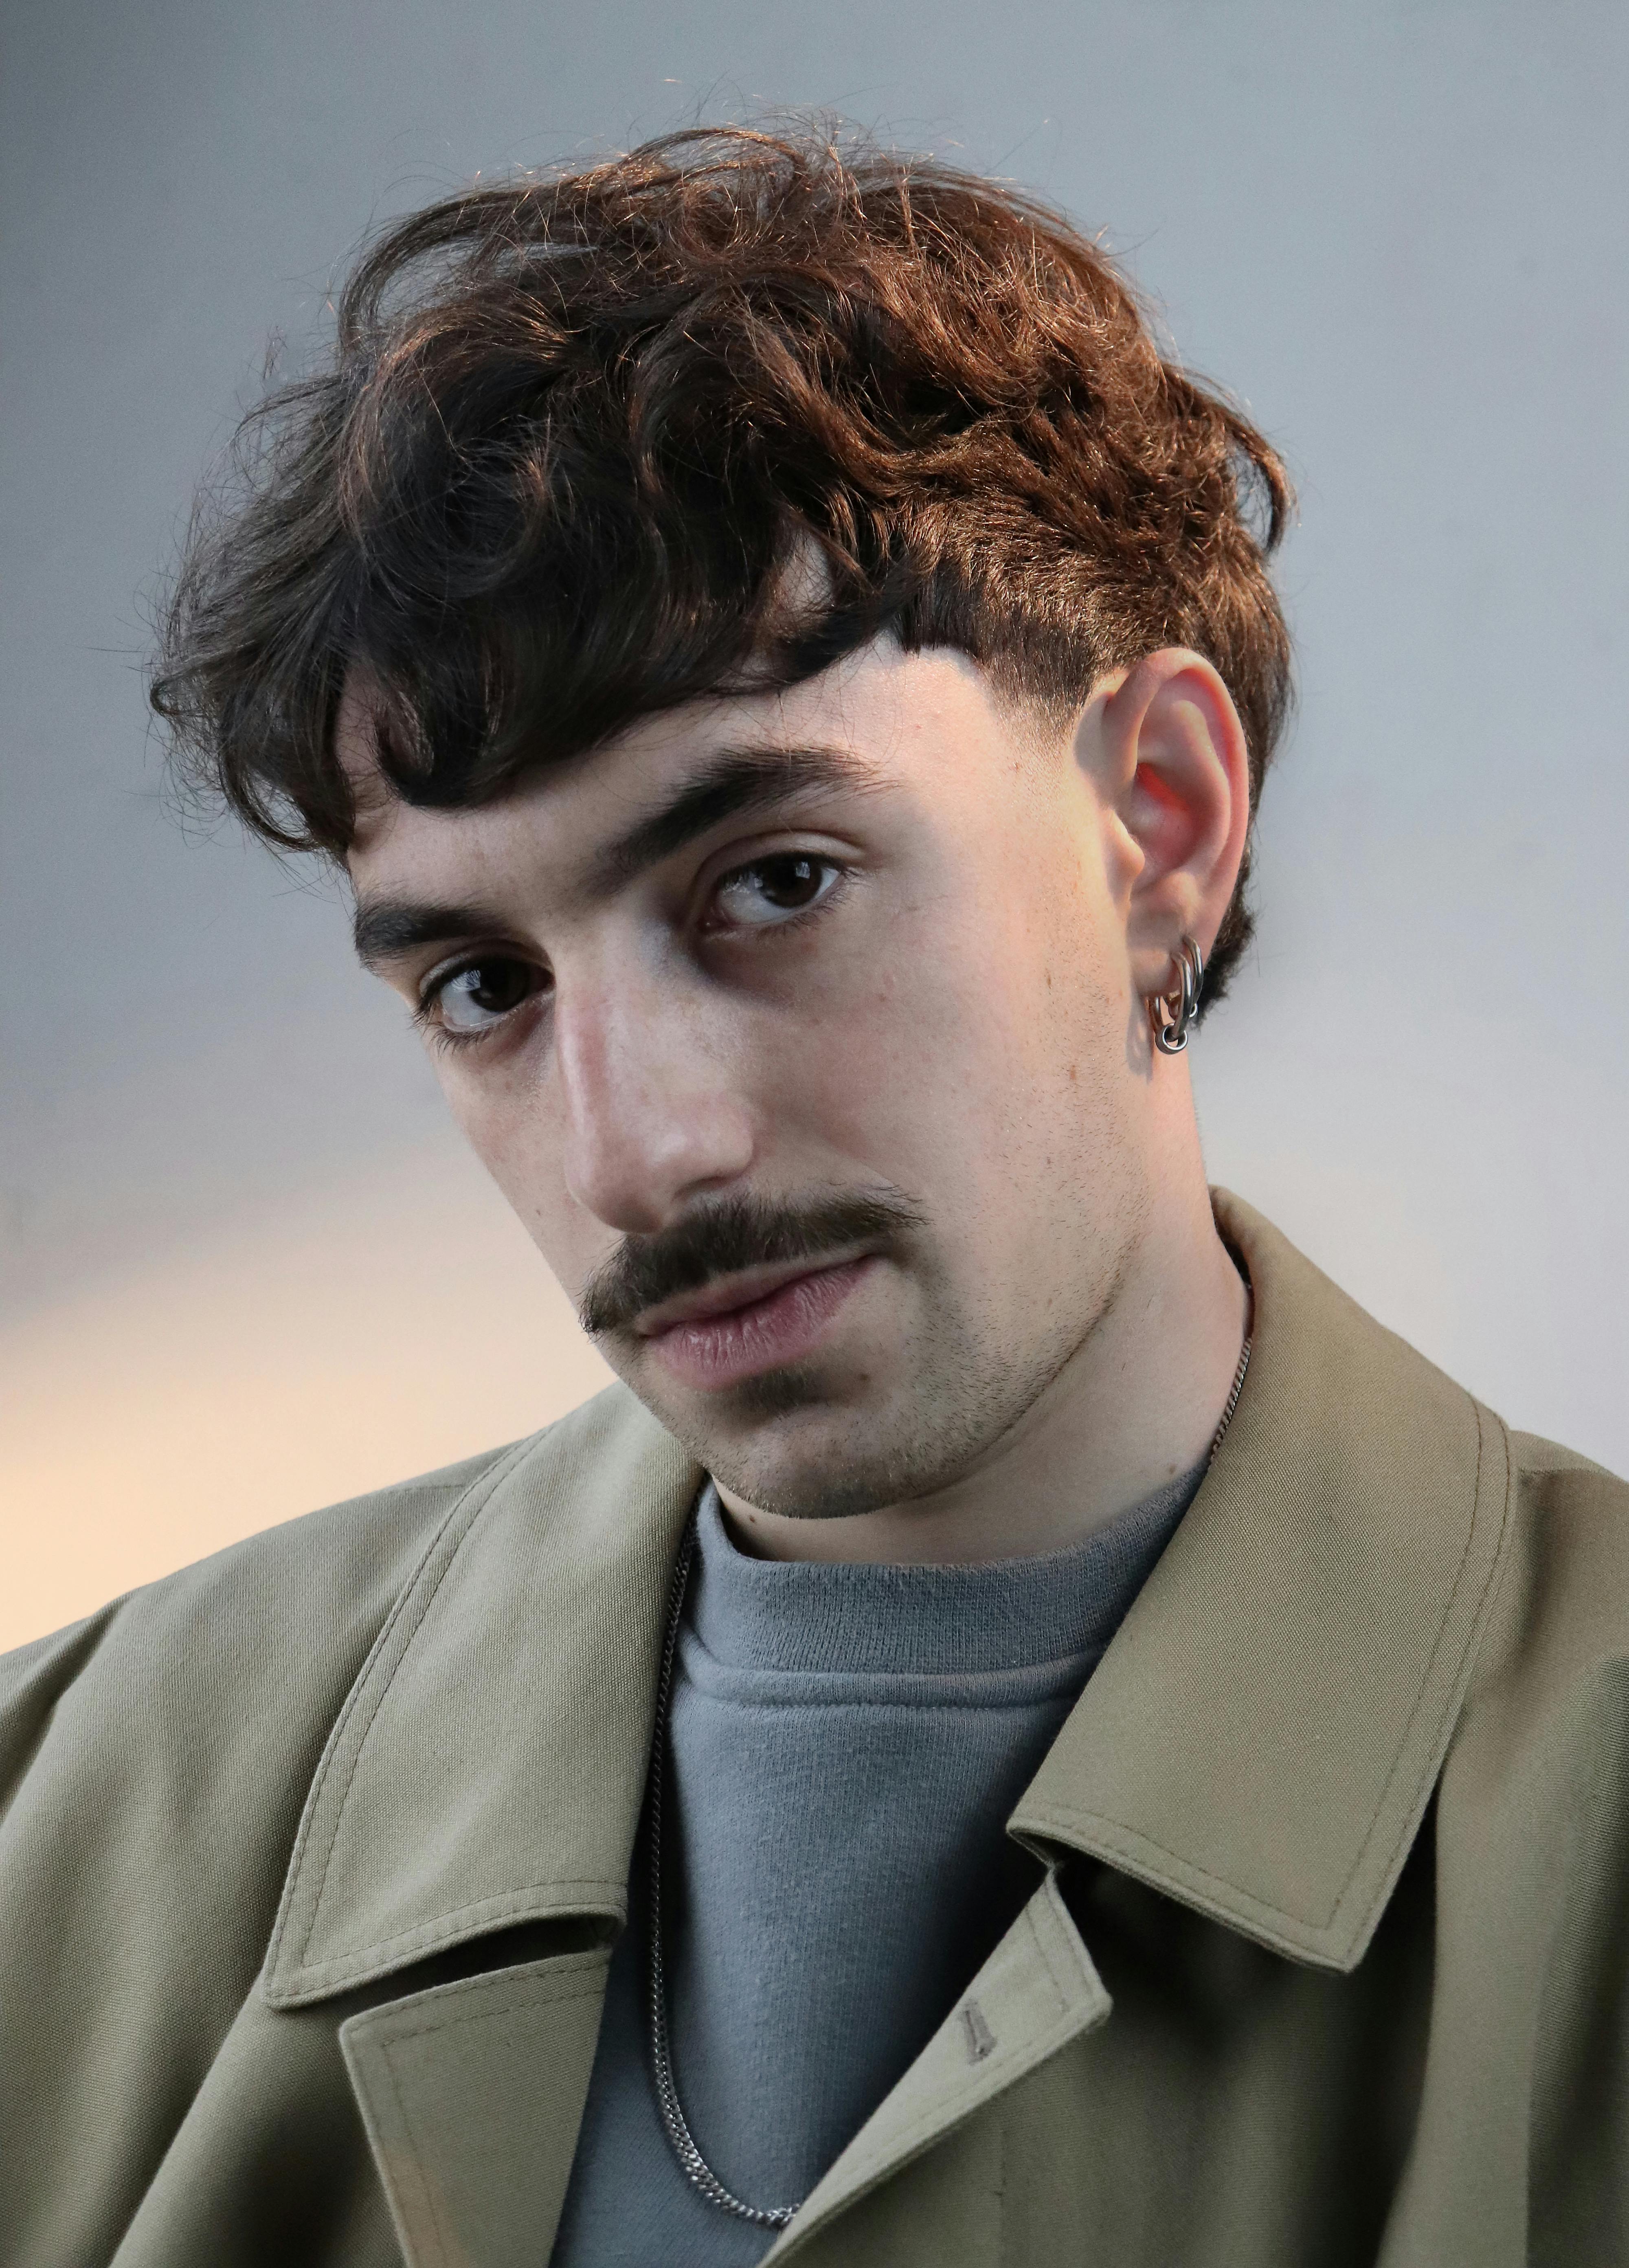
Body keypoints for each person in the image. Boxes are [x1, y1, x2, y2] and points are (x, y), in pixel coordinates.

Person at [3, 124, 1625, 2268]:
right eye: (486, 984)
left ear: (1160, 824)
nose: (635, 1153)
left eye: (775, 883)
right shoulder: (72, 1804)